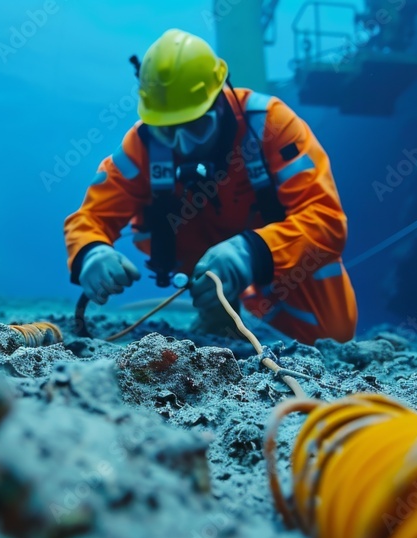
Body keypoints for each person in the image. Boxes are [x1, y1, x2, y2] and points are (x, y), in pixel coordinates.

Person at [63, 29, 357, 344]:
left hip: (275, 250)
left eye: (195, 127)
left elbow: (327, 219)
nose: (182, 146)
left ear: (220, 100)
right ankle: (216, 309)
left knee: (334, 334)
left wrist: (252, 251)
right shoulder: (140, 146)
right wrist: (90, 252)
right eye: (166, 131)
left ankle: (259, 309)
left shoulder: (271, 125)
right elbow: (90, 217)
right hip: (193, 255)